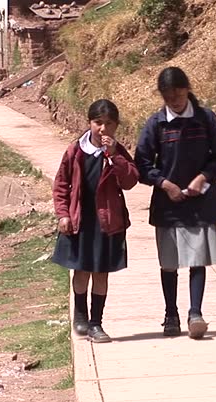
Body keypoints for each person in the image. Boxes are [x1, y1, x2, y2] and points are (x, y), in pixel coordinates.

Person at [135, 67, 216, 339]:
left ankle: (195, 313)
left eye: (178, 94)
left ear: (188, 89)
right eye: (168, 97)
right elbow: (141, 163)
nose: (175, 101)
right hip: (168, 203)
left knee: (197, 258)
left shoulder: (205, 119)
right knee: (169, 262)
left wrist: (203, 177)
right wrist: (164, 184)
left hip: (200, 201)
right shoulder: (156, 124)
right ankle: (170, 315)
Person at [52, 99, 139, 343]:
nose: (102, 129)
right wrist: (63, 214)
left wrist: (114, 157)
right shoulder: (75, 151)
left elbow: (130, 181)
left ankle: (96, 323)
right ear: (89, 123)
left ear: (116, 126)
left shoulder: (117, 152)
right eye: (97, 123)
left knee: (101, 273)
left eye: (108, 124)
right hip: (81, 219)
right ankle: (80, 315)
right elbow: (60, 185)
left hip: (107, 221)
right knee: (81, 271)